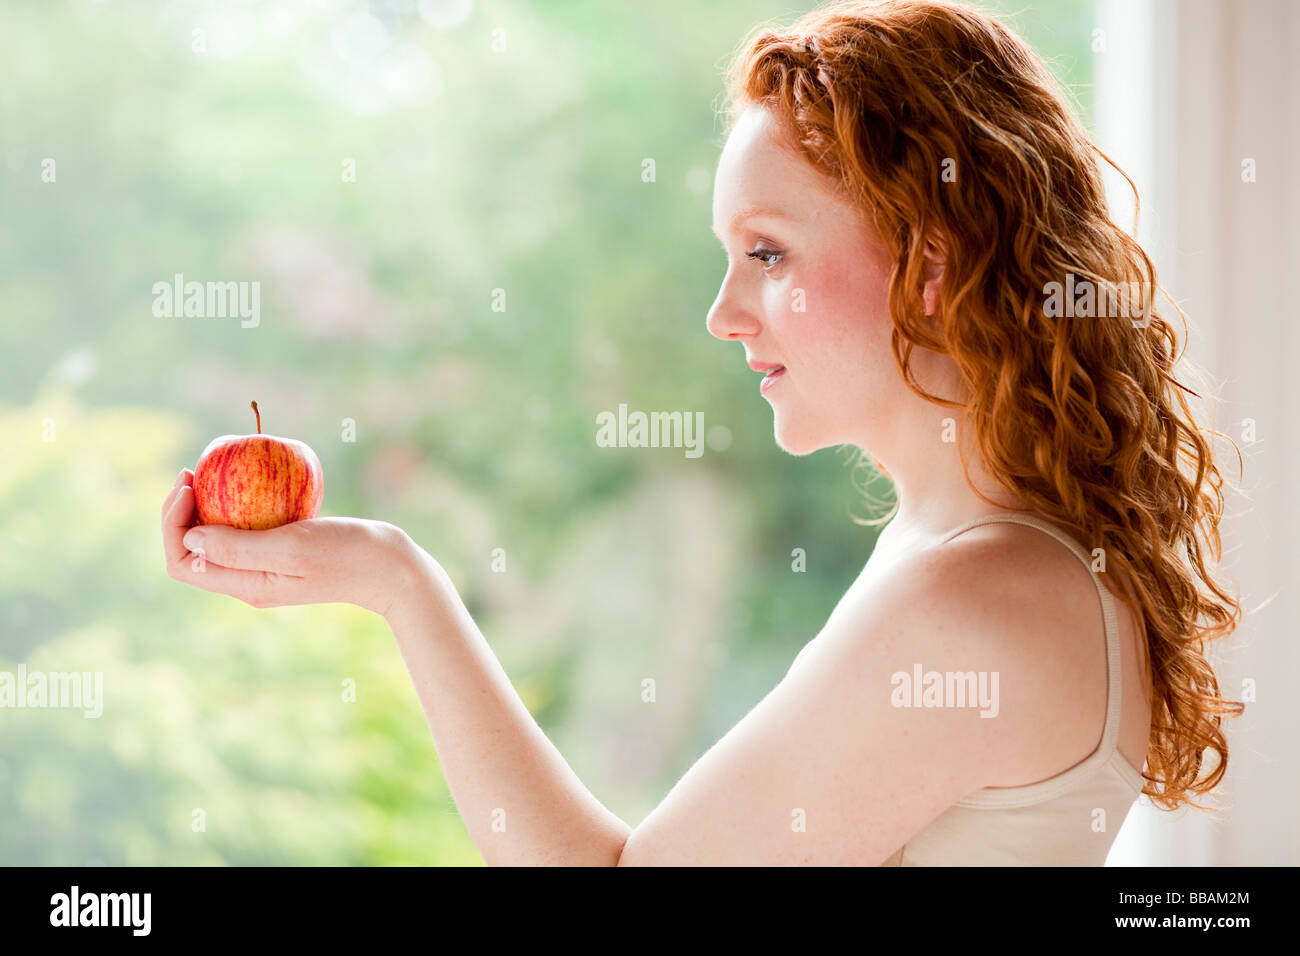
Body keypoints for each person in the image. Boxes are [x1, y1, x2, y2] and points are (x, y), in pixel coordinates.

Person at [161, 0, 1243, 865]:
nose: (723, 311)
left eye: (767, 252)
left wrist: (399, 580)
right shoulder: (983, 552)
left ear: (929, 260)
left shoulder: (969, 601)